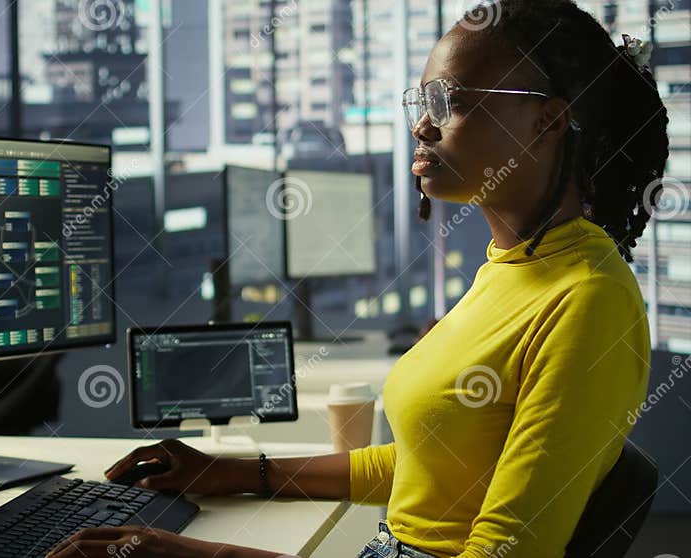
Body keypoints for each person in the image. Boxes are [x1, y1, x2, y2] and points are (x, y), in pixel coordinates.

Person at [47, 0, 670, 556]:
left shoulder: (587, 298)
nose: (423, 126)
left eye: (451, 103)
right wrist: (231, 470)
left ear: (548, 121)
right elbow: (434, 465)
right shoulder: (510, 268)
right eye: (421, 102)